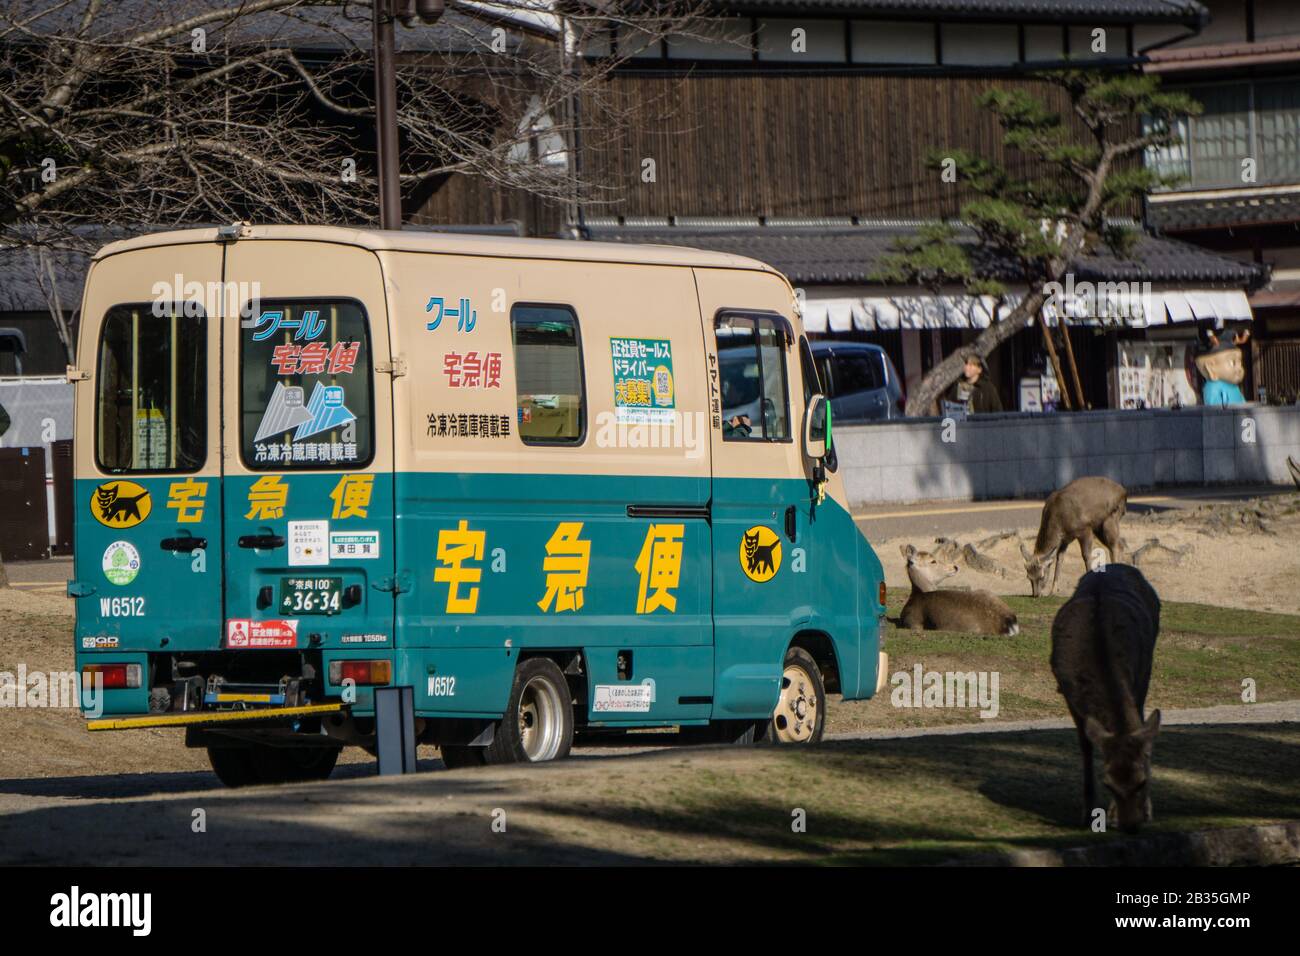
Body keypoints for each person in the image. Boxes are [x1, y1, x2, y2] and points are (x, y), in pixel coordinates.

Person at [943, 349, 1002, 413]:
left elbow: (997, 411)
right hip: (964, 423)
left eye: (971, 365)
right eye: (966, 364)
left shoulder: (988, 388)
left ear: (979, 369)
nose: (967, 367)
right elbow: (950, 409)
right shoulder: (958, 386)